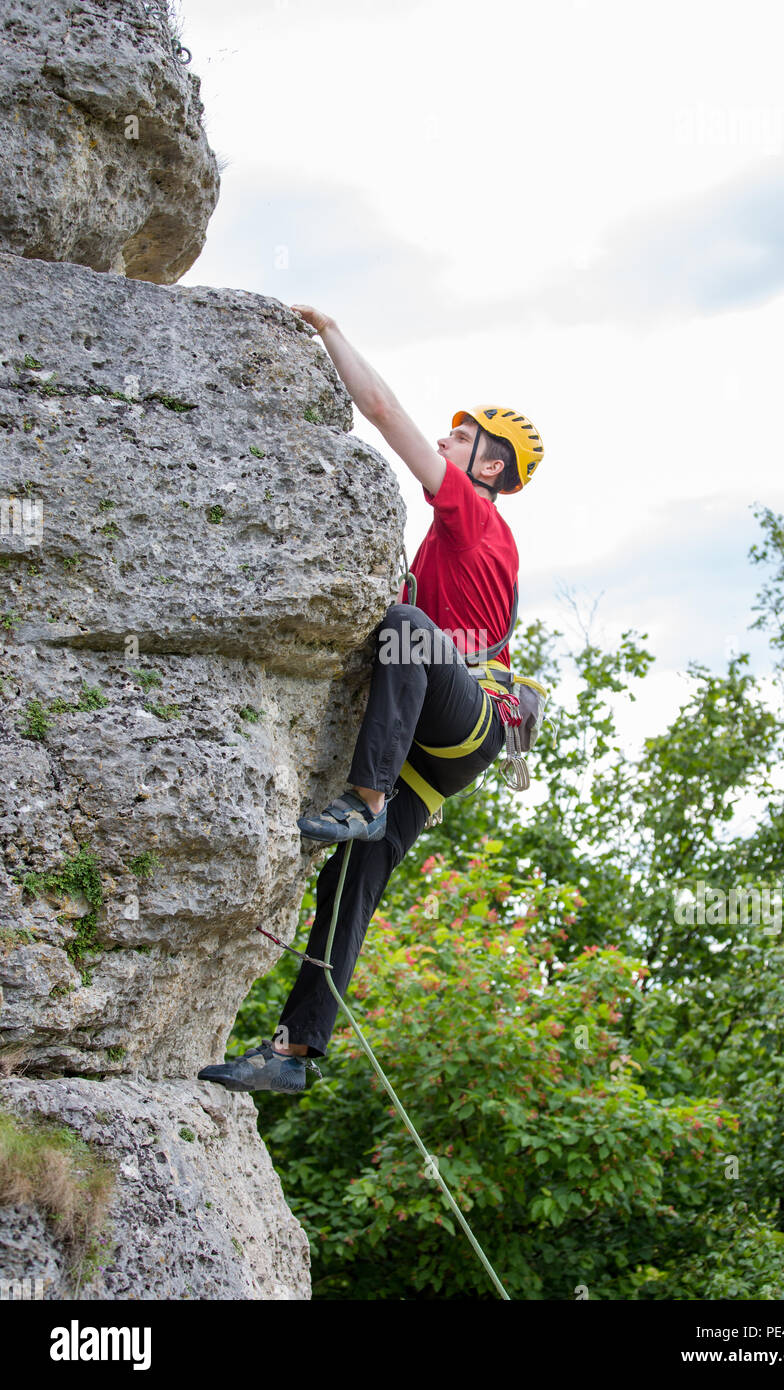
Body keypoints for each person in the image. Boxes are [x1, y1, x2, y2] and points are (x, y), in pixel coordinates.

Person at [197, 306, 543, 1095]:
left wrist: (329, 330)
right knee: (348, 886)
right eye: (453, 436)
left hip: (468, 722)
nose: (450, 443)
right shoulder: (453, 540)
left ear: (489, 466)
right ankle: (292, 1053)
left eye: (464, 439)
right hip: (436, 759)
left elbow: (385, 412)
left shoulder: (475, 519)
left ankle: (365, 796)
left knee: (404, 624)